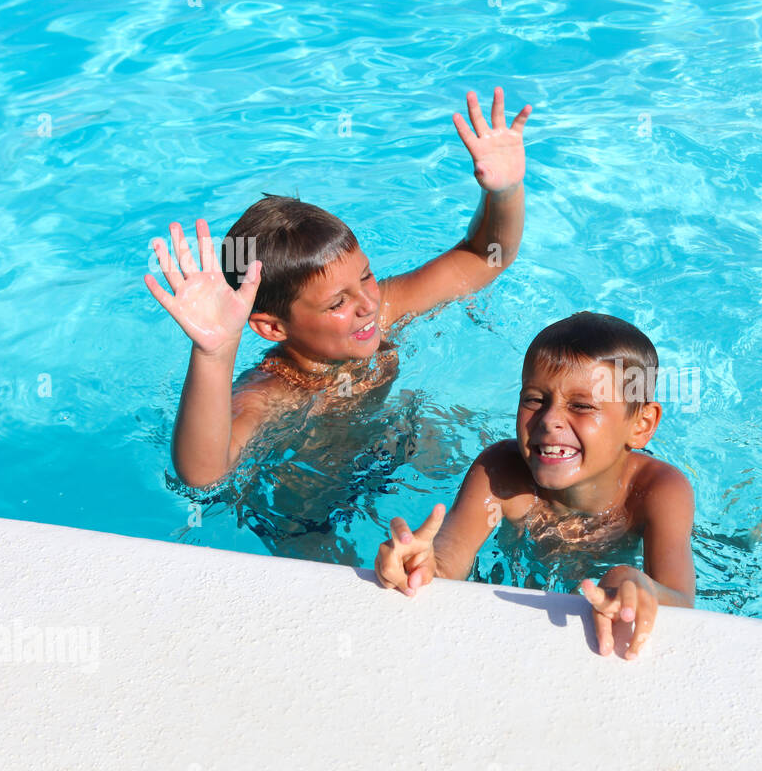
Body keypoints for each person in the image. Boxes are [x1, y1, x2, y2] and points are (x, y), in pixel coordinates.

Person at [144, 87, 531, 490]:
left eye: (365, 276)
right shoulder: (272, 393)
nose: (367, 303)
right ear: (273, 328)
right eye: (337, 304)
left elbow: (486, 257)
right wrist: (214, 353)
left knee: (511, 465)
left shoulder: (379, 311)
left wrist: (503, 192)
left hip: (388, 440)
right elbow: (204, 476)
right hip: (308, 497)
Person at [374, 312, 697, 660]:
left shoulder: (658, 491)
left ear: (642, 424)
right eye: (534, 399)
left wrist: (638, 582)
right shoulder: (501, 473)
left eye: (582, 406)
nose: (550, 420)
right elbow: (449, 557)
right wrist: (421, 564)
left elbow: (682, 599)